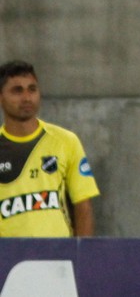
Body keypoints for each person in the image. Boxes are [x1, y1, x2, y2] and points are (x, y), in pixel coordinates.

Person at [0, 60, 99, 237]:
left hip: (56, 256)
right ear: (1, 97)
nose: (27, 98)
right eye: (17, 91)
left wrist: (82, 256)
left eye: (32, 89)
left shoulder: (66, 141)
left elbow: (83, 205)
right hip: (7, 258)